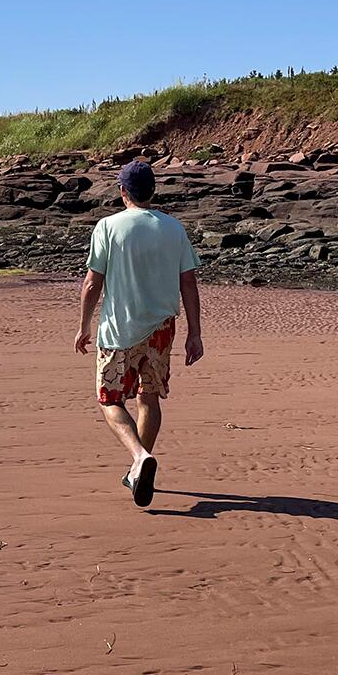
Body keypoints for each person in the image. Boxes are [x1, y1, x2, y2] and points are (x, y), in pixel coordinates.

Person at [72, 160, 204, 507]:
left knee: (110, 400)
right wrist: (195, 333)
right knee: (149, 397)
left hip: (119, 329)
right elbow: (188, 282)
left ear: (122, 192)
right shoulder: (173, 228)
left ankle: (139, 457)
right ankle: (137, 468)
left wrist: (84, 325)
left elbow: (92, 283)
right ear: (153, 191)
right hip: (163, 328)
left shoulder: (108, 227)